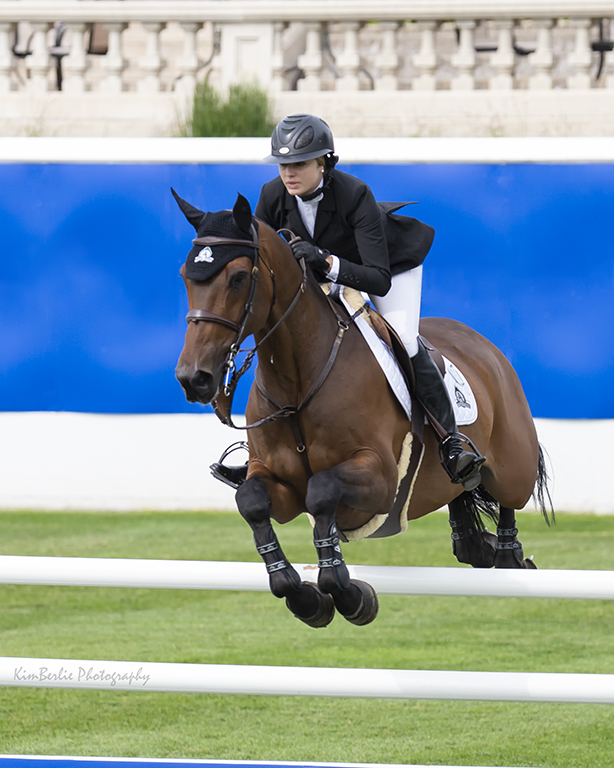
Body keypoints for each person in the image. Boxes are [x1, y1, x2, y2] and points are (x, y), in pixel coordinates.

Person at [211, 113, 485, 491]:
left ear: (323, 162)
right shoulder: (272, 195)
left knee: (403, 339)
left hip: (385, 267)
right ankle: (261, 453)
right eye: (284, 164)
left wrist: (325, 261)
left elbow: (378, 278)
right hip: (321, 276)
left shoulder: (354, 194)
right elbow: (265, 259)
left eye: (300, 164)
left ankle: (451, 442)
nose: (289, 173)